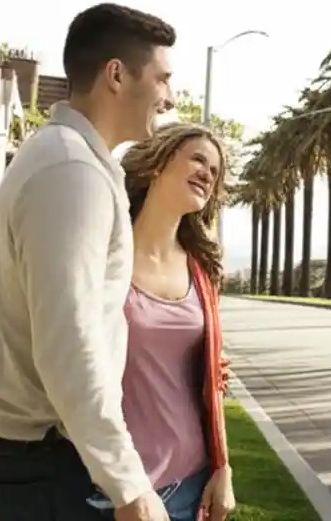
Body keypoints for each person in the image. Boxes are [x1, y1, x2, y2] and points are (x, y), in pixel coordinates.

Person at [0, 2, 176, 521]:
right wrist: (128, 485)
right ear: (116, 75)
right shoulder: (71, 172)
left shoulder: (72, 160)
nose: (169, 96)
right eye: (164, 78)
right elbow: (69, 341)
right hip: (40, 460)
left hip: (38, 452)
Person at [84, 123, 235, 520]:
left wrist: (222, 466)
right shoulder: (103, 253)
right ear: (156, 165)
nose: (207, 173)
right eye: (198, 159)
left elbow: (212, 378)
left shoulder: (202, 271)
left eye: (215, 171)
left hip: (190, 479)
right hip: (114, 486)